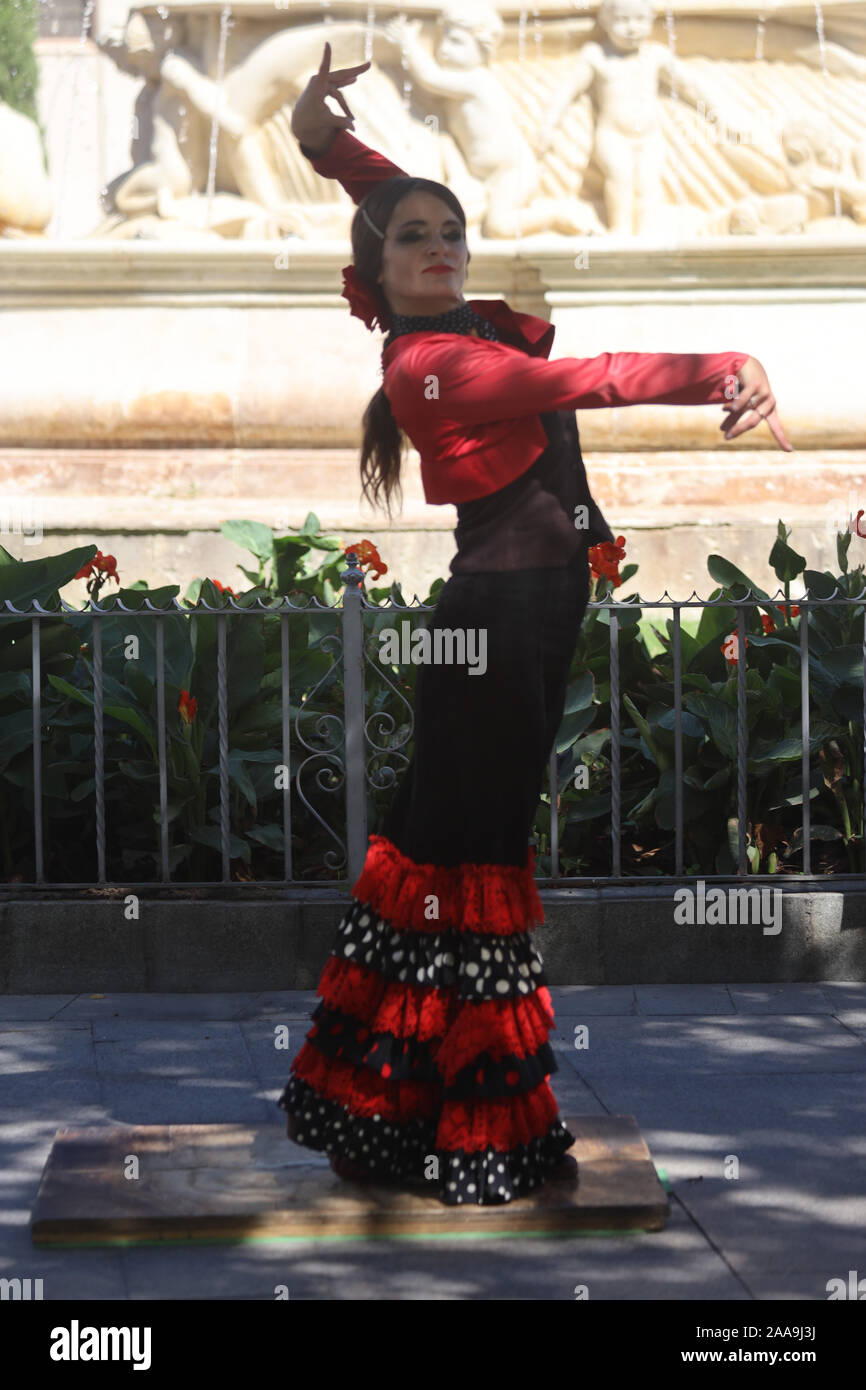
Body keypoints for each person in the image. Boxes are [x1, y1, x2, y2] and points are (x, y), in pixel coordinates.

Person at [277, 43, 792, 1207]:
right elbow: (591, 380)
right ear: (380, 268)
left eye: (448, 231)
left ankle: (387, 1115)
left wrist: (318, 131)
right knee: (468, 865)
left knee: (443, 857)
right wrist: (724, 366)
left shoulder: (446, 305)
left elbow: (373, 183)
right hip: (498, 631)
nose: (439, 246)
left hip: (518, 621)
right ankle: (460, 1122)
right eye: (412, 239)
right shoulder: (434, 366)